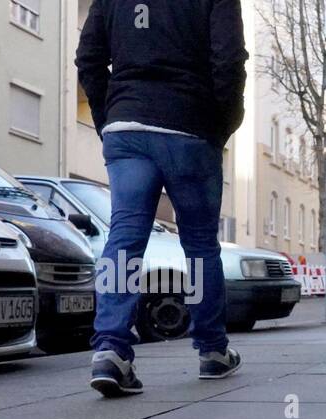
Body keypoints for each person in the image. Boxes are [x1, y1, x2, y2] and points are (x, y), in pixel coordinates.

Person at [76, 0, 249, 396]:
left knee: (123, 238)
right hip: (190, 128)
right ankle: (212, 349)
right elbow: (229, 59)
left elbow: (88, 58)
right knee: (201, 245)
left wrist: (109, 118)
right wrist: (221, 123)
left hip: (127, 128)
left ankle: (110, 350)